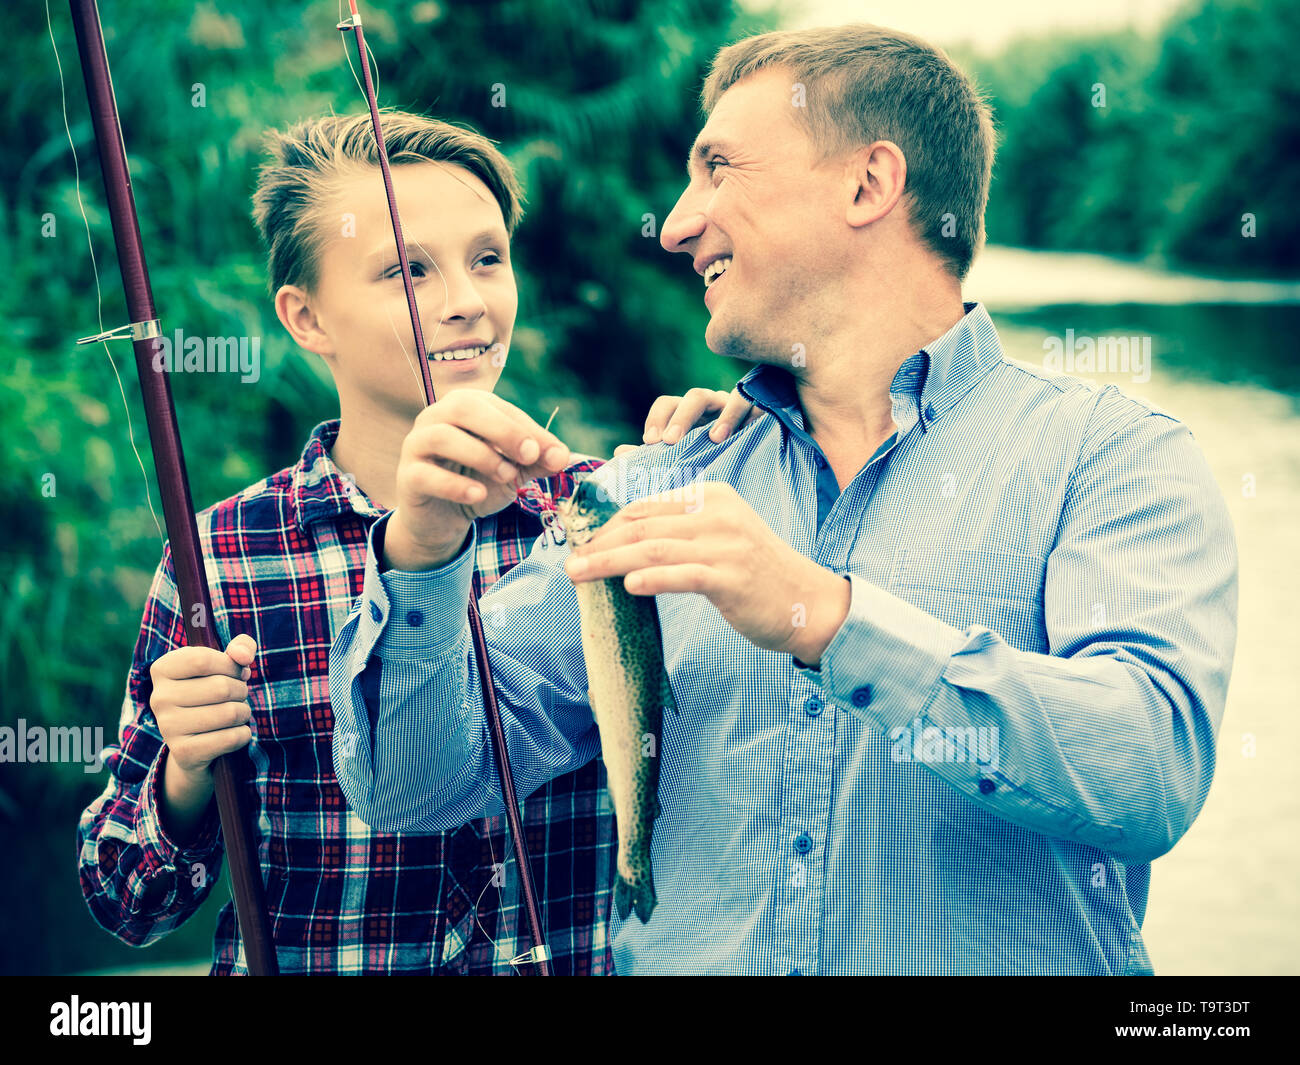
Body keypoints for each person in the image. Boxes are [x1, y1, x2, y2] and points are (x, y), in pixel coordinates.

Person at [329, 26, 1239, 975]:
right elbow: (409, 787)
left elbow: (1147, 771)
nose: (677, 224)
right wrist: (423, 553)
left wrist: (829, 618)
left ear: (867, 185)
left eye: (718, 169)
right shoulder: (652, 483)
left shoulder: (1112, 458)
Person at [77, 109, 755, 975]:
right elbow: (125, 901)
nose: (466, 300)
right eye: (408, 271)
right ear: (306, 318)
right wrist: (183, 775)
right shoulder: (222, 557)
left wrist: (750, 447)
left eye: (487, 259)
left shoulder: (612, 514)